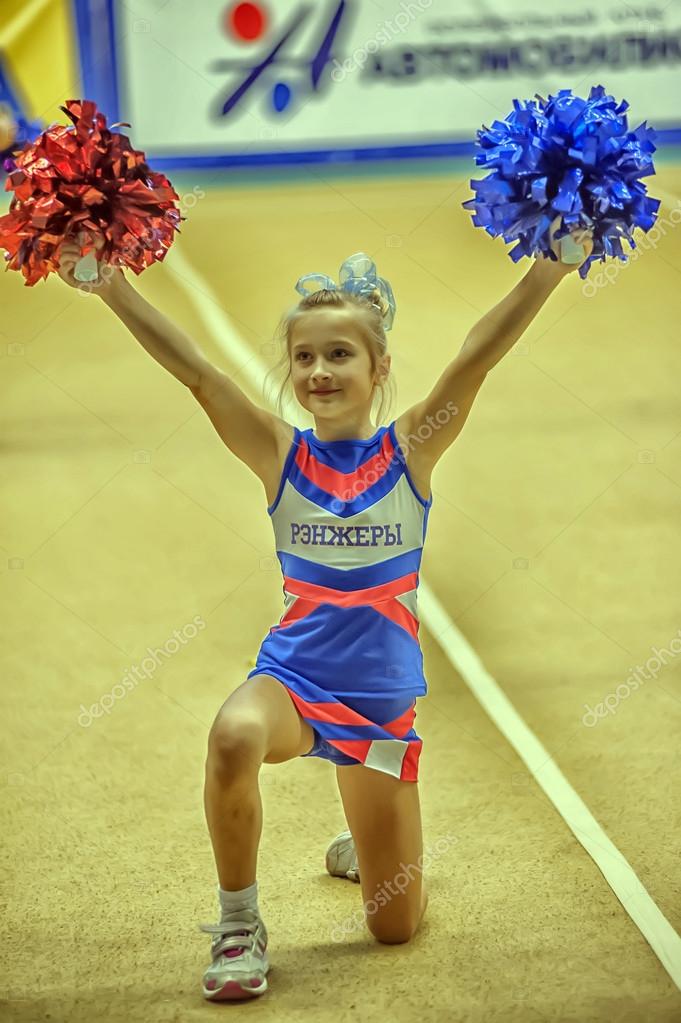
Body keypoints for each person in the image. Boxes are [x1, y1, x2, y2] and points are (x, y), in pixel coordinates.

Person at [55, 232, 592, 1001]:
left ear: (379, 368)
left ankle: (365, 846)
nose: (318, 371)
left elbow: (475, 359)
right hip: (295, 680)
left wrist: (548, 270)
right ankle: (239, 924)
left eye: (339, 354)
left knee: (393, 926)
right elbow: (197, 373)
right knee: (232, 734)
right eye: (303, 356)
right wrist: (111, 287)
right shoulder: (280, 454)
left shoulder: (411, 450)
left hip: (378, 708)